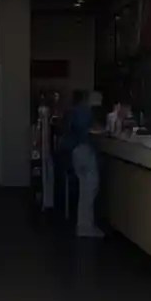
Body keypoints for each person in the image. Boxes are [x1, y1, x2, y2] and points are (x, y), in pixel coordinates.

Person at [64, 90, 104, 238]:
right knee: (90, 188)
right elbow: (87, 130)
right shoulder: (84, 112)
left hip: (75, 152)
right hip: (84, 150)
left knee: (84, 190)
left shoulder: (76, 111)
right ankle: (86, 227)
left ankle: (83, 225)